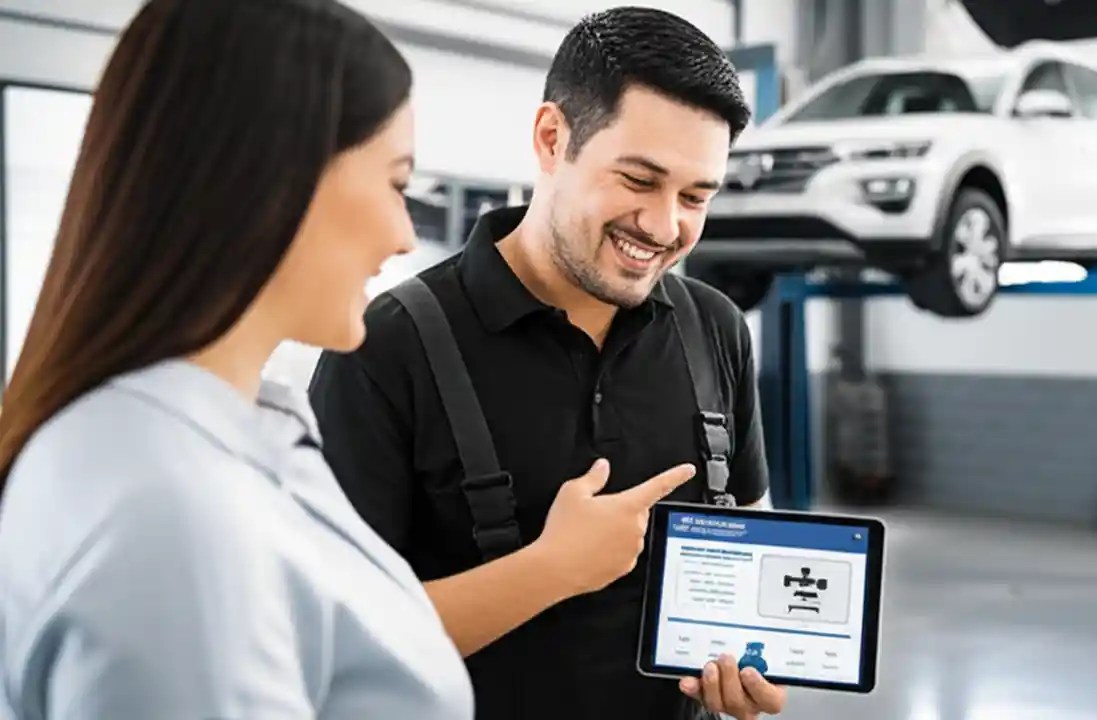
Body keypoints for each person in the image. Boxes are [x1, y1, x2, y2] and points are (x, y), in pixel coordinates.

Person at [0, 1, 690, 717]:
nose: (402, 237)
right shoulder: (168, 517)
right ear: (270, 183)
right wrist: (548, 571)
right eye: (397, 185)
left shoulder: (246, 432)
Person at [308, 7, 787, 719]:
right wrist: (549, 570)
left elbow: (752, 536)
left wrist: (751, 660)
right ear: (552, 138)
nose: (663, 227)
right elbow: (334, 638)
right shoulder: (387, 346)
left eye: (694, 197)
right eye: (637, 180)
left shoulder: (714, 327)